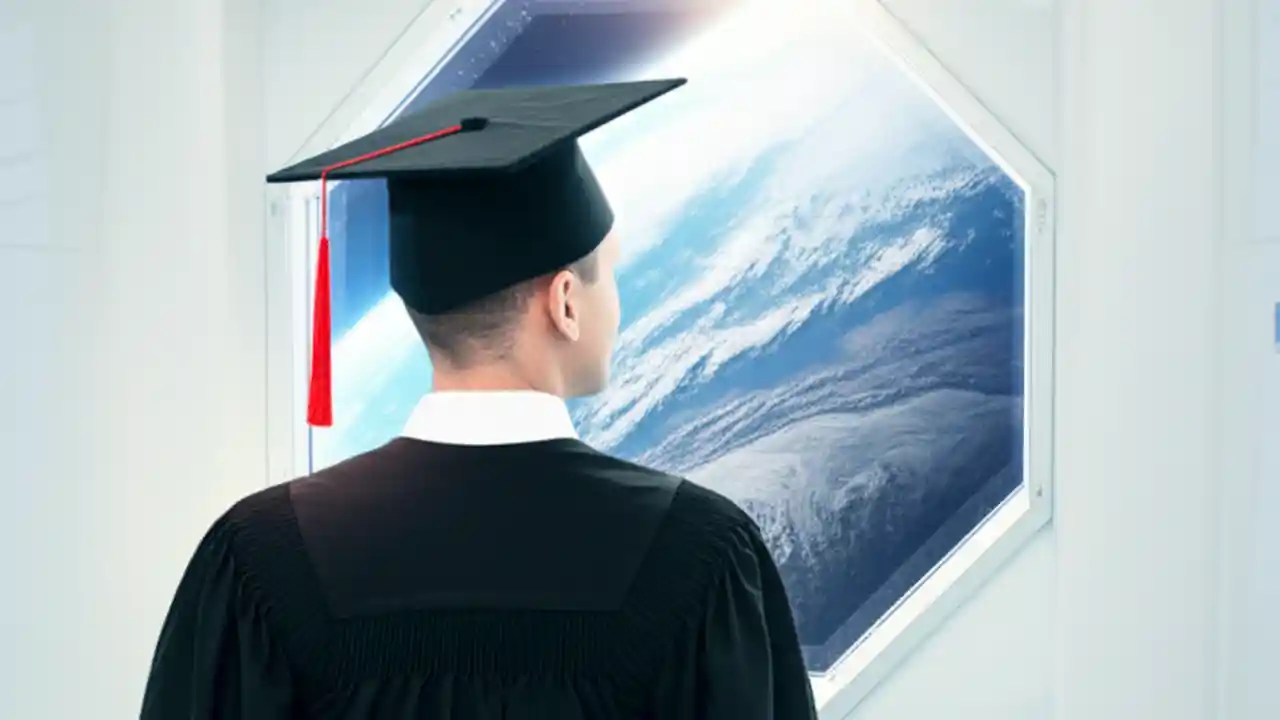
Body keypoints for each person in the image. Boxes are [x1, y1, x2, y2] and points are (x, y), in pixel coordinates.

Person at [141, 79, 818, 719]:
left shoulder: (260, 559)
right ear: (564, 304)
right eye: (609, 275)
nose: (616, 300)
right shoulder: (700, 555)